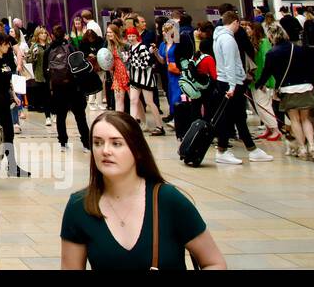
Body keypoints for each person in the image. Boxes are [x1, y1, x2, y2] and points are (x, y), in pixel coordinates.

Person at [61, 111, 226, 270]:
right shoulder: (79, 206)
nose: (105, 151)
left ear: (137, 150)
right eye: (97, 143)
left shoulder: (168, 199)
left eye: (116, 143)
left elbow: (214, 262)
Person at [209, 10, 271, 165]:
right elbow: (230, 64)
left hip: (228, 81)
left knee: (237, 117)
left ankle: (251, 149)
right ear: (235, 22)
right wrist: (232, 86)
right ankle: (223, 150)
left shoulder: (218, 37)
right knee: (231, 117)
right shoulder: (228, 40)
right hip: (232, 82)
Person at [258, 22, 314, 160]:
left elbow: (266, 72)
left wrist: (259, 84)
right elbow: (310, 69)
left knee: (295, 120)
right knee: (305, 119)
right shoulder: (300, 49)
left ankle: (302, 148)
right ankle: (311, 146)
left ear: (271, 37)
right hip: (306, 87)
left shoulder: (272, 53)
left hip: (288, 89)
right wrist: (313, 86)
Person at [0, 32, 31, 177]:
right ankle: (8, 165)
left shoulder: (4, 59)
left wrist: (14, 95)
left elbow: (8, 81)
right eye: (5, 43)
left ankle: (12, 165)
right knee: (3, 133)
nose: (8, 46)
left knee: (9, 134)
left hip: (4, 99)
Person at [246, 21, 280, 141]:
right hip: (255, 80)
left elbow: (267, 62)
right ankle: (268, 127)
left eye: (249, 28)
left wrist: (264, 81)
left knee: (264, 105)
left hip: (262, 80)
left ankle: (275, 129)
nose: (247, 30)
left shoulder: (264, 42)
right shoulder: (252, 43)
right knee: (258, 106)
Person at [125, 32, 165, 136]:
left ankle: (159, 126)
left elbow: (147, 62)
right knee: (133, 101)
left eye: (133, 36)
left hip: (145, 79)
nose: (131, 38)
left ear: (137, 37)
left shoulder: (142, 47)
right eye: (129, 36)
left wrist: (132, 63)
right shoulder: (131, 47)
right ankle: (132, 127)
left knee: (149, 102)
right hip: (135, 78)